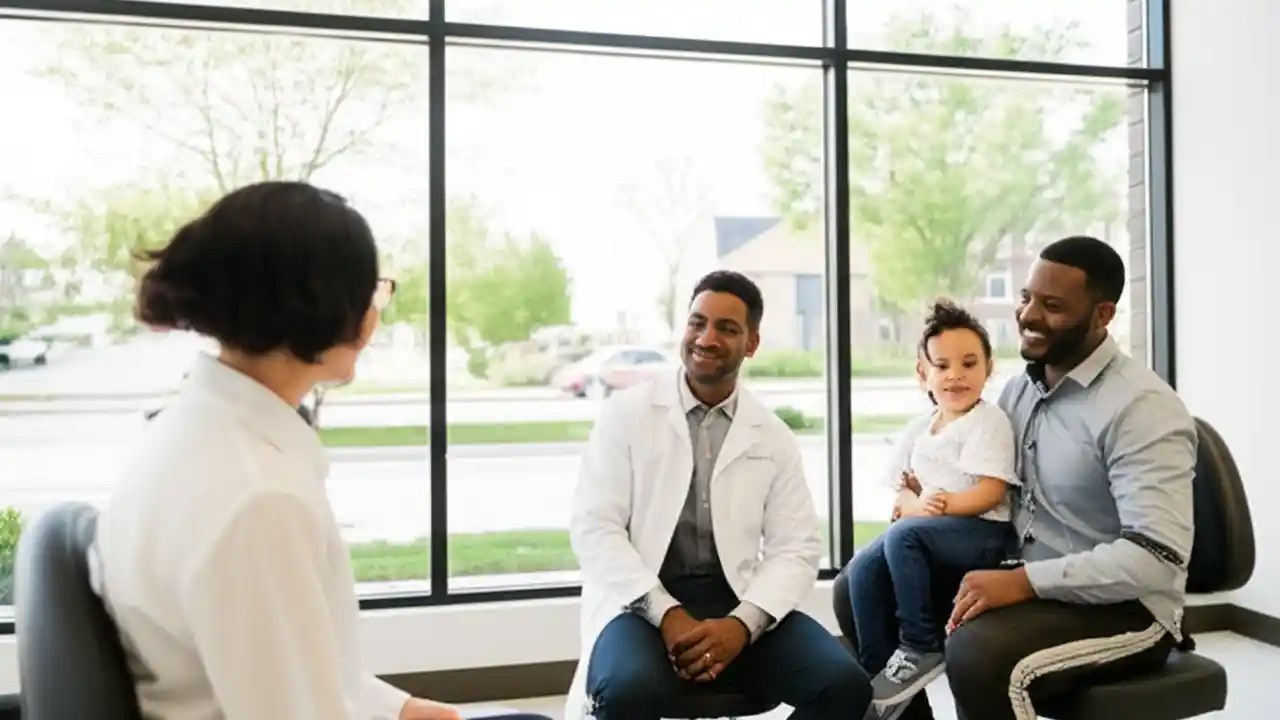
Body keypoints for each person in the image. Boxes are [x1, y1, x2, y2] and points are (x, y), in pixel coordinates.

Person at [91, 182, 548, 720]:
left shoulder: (190, 435)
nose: (378, 309)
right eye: (373, 290)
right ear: (328, 307)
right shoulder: (256, 502)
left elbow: (296, 669)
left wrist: (411, 710)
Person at [565, 270, 870, 720]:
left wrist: (741, 625)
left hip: (737, 603)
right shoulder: (626, 416)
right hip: (638, 602)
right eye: (697, 322)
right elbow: (596, 530)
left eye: (726, 328)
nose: (706, 338)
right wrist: (668, 615)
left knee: (843, 685)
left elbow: (796, 548)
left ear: (751, 343)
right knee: (628, 691)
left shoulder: (772, 436)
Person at [943, 236, 1197, 718]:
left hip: (1130, 609)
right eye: (1027, 298)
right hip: (1035, 581)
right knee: (866, 587)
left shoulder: (1142, 409)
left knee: (980, 655)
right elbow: (994, 493)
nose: (1029, 315)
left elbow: (1154, 560)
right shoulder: (1019, 390)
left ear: (1102, 315)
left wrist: (1024, 583)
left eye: (1052, 306)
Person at [846, 300, 1019, 717]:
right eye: (942, 366)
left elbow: (991, 492)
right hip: (931, 529)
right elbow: (902, 494)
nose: (955, 375)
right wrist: (913, 505)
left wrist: (936, 507)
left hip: (980, 532)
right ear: (923, 374)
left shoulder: (987, 422)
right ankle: (881, 671)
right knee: (861, 568)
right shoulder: (919, 430)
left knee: (903, 535)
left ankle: (920, 643)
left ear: (989, 368)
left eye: (969, 363)